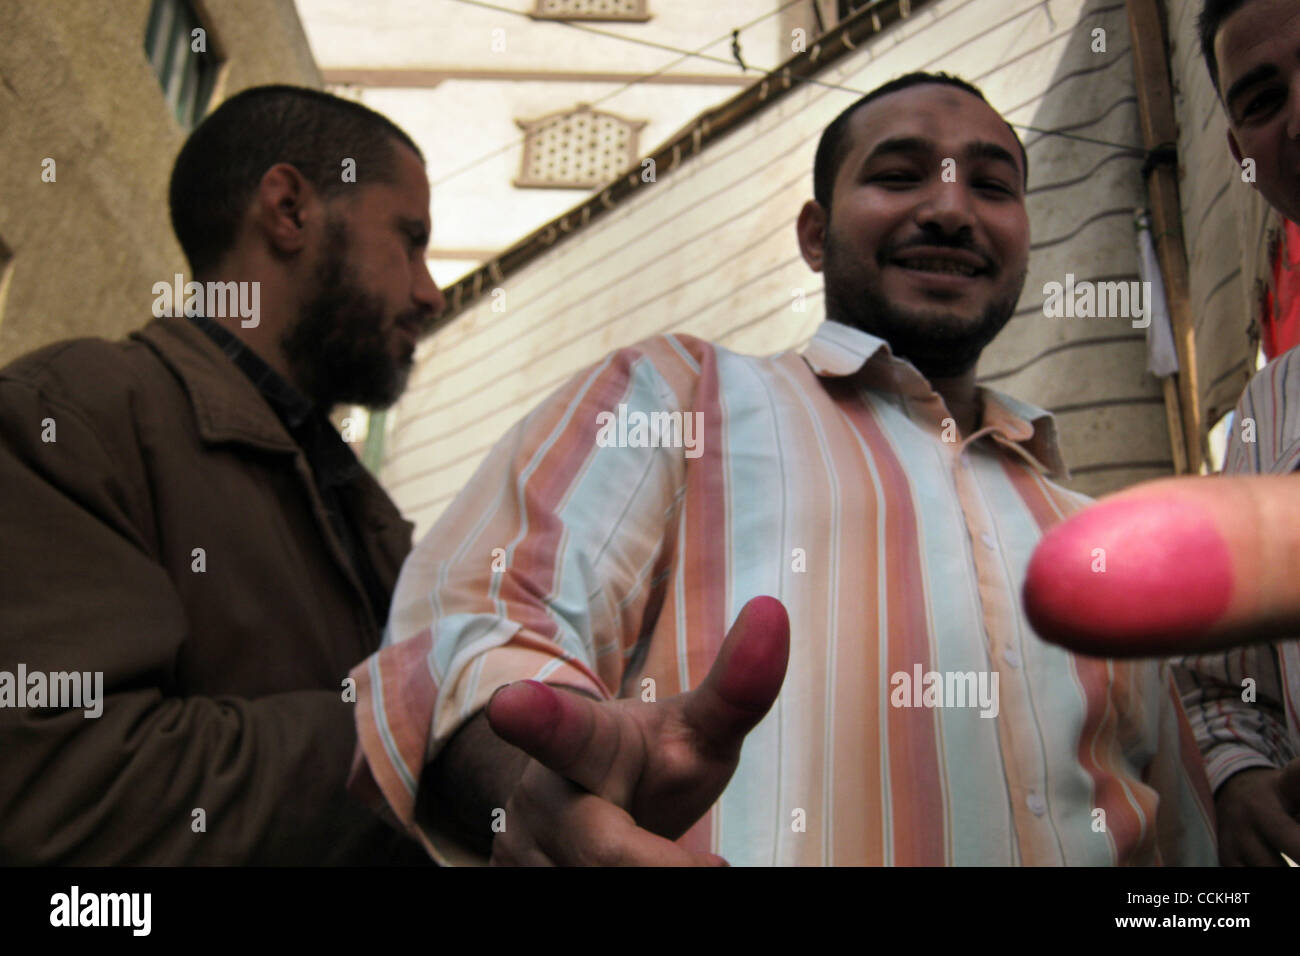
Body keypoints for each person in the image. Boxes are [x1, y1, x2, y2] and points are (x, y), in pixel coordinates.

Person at [348, 72, 1218, 866]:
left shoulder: (1096, 537)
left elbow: (1191, 846)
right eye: (899, 175)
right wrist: (531, 788)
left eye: (992, 187)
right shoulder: (680, 395)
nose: (952, 210)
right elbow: (475, 623)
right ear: (815, 235)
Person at [0, 85, 443, 863]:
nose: (429, 293)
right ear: (288, 210)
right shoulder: (72, 418)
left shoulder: (363, 510)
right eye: (409, 241)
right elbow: (70, 792)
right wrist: (409, 734)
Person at [1023, 0, 1300, 867]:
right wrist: (1242, 775)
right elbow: (1227, 687)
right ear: (1239, 152)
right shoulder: (1269, 410)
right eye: (1263, 99)